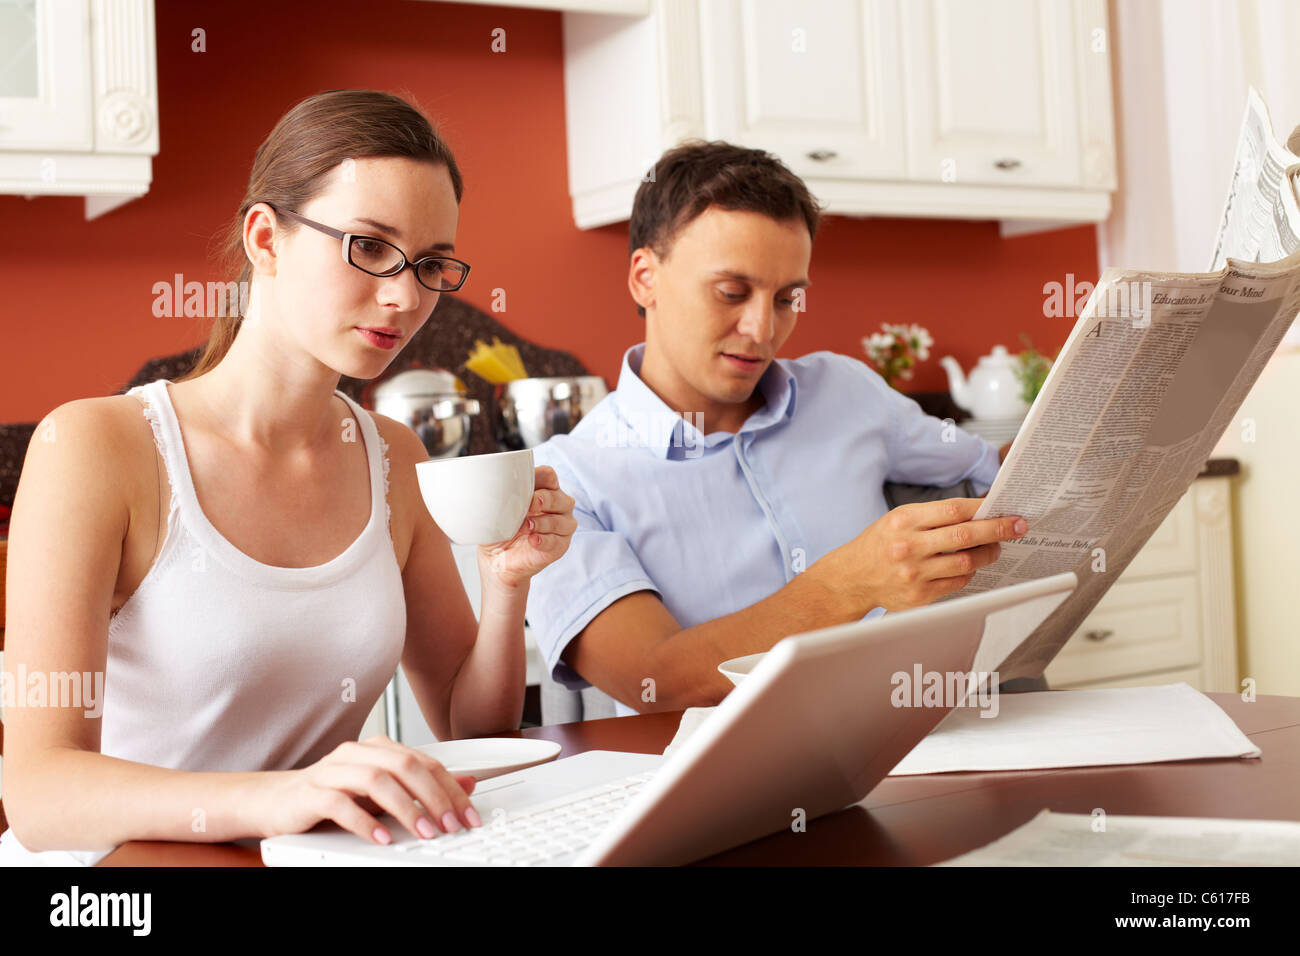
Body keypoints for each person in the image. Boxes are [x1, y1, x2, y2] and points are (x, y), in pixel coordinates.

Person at [0, 89, 576, 865]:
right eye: (369, 246)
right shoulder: (96, 448)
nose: (405, 296)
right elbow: (38, 794)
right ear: (266, 239)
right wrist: (281, 794)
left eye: (432, 264)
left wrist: (506, 586)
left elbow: (471, 733)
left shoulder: (394, 457)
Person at [524, 140, 1027, 718]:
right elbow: (656, 680)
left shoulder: (846, 392)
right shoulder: (567, 481)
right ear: (645, 278)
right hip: (724, 795)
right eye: (732, 293)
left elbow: (997, 467)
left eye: (788, 298)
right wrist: (847, 587)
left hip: (914, 745)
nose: (762, 328)